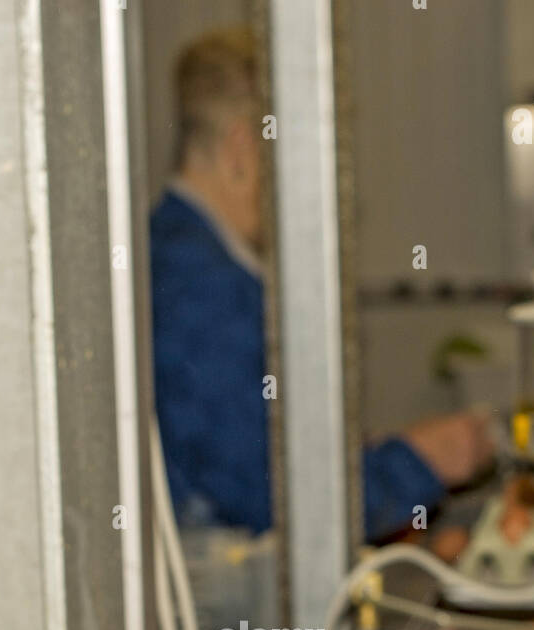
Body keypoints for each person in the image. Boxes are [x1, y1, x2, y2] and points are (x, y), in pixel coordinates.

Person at [150, 26, 492, 544]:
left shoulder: (177, 249)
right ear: (243, 147)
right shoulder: (201, 288)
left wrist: (380, 454)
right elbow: (270, 501)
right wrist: (421, 463)